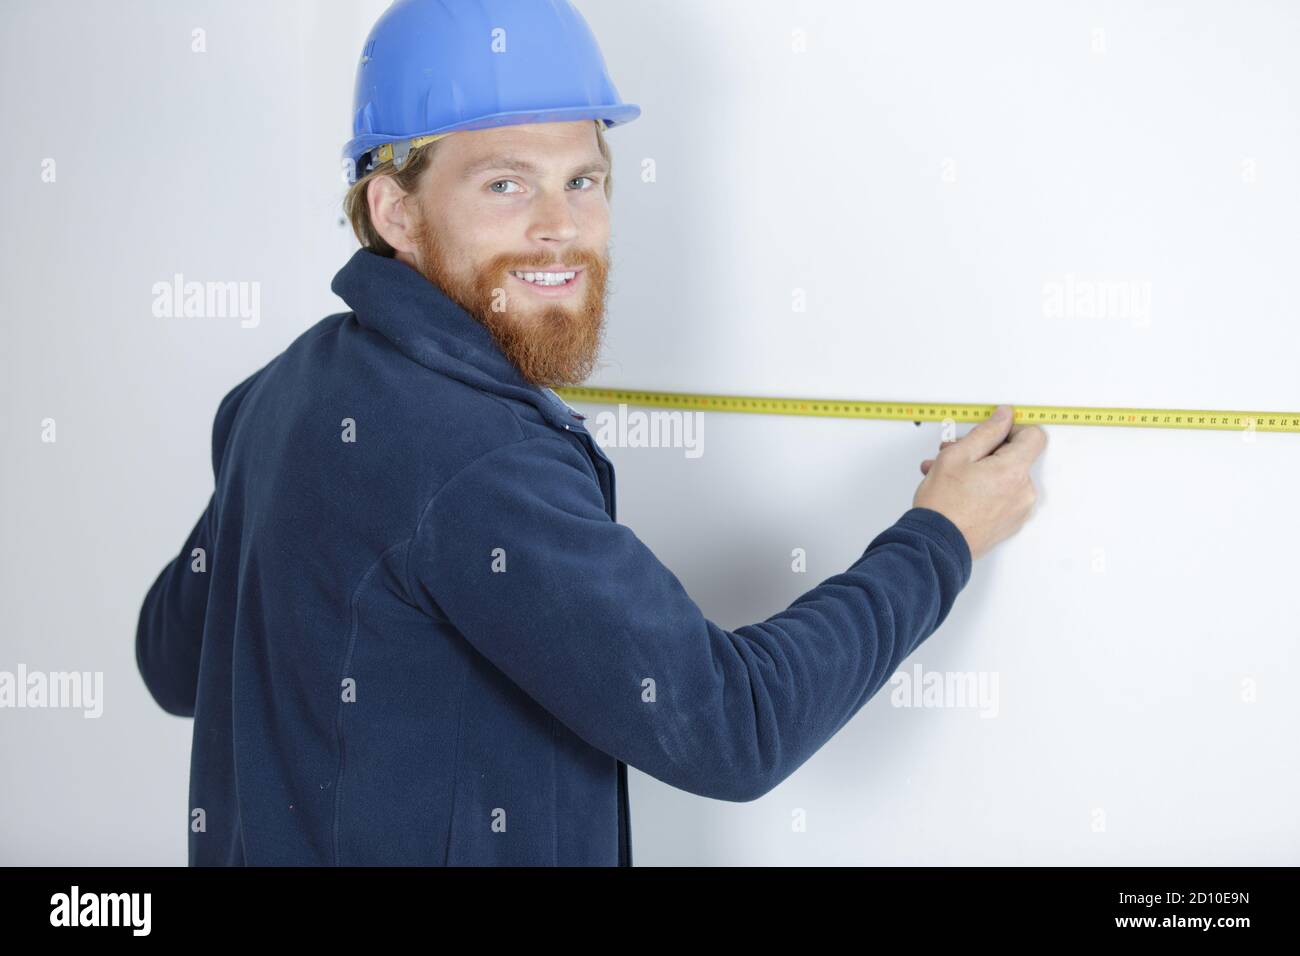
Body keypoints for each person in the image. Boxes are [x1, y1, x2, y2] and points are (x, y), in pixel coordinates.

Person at [136, 0, 1045, 866]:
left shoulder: (285, 389)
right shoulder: (482, 460)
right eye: (504, 183)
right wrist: (943, 536)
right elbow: (732, 729)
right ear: (395, 212)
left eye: (583, 180)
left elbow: (171, 660)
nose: (560, 227)